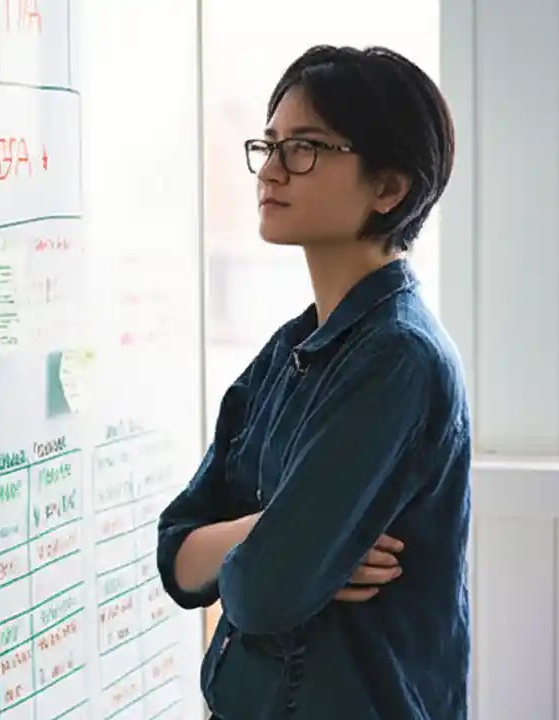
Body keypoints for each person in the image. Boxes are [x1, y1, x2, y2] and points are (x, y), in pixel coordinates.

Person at [156, 45, 470, 719]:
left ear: (389, 187)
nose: (270, 171)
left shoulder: (398, 359)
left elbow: (261, 595)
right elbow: (178, 557)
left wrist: (282, 556)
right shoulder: (290, 350)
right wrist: (279, 534)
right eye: (268, 146)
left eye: (304, 148)